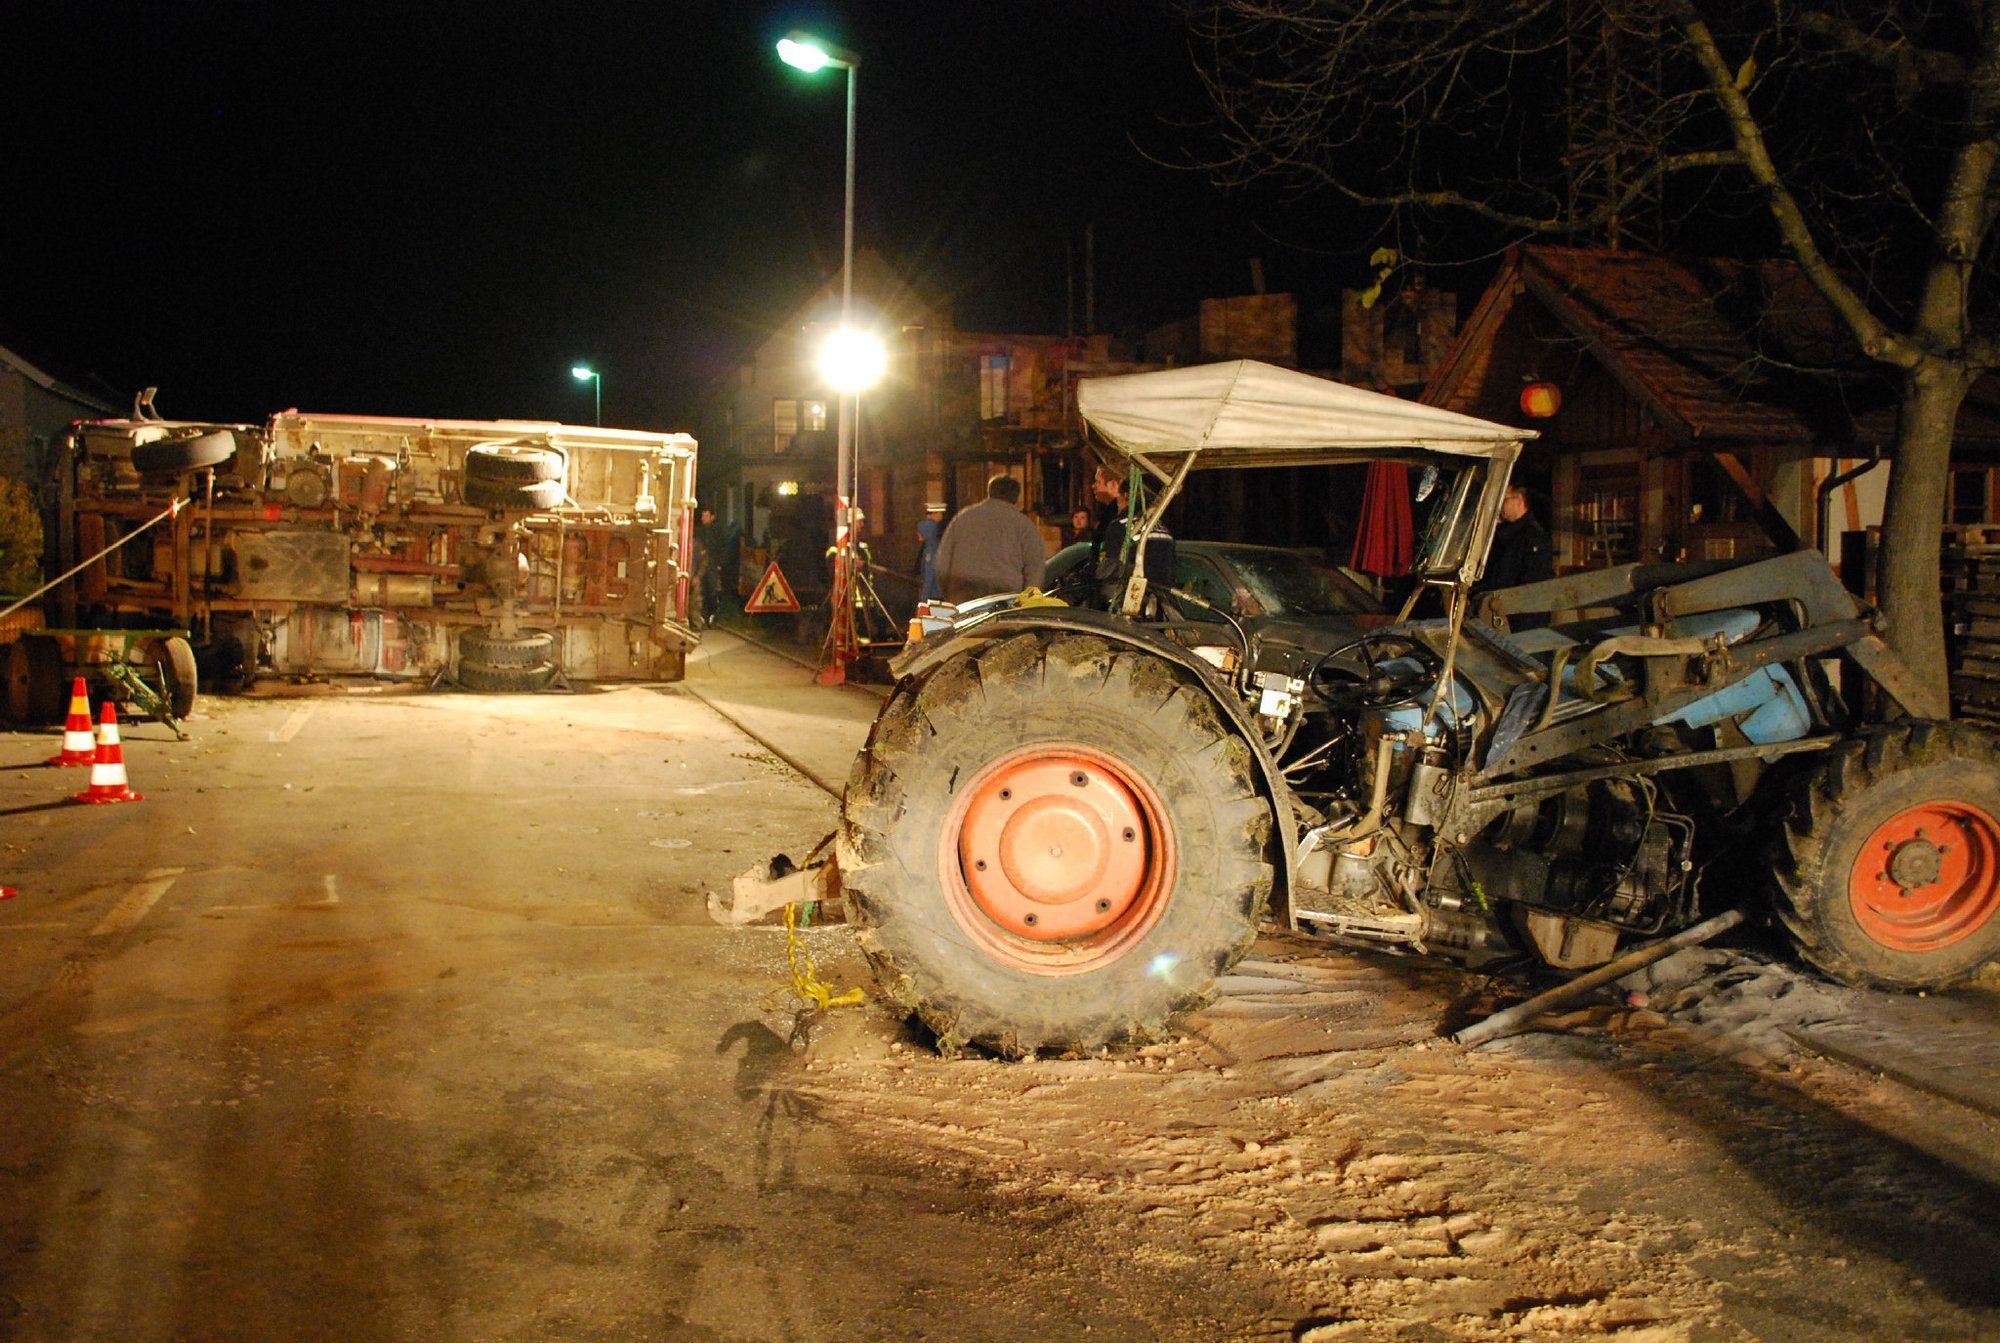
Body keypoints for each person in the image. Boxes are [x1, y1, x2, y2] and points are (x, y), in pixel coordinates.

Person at [935, 474, 1047, 602]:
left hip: (963, 591)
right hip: (1004, 595)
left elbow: (942, 561)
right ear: (1016, 497)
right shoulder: (1024, 525)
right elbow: (1035, 567)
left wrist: (948, 591)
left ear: (989, 492)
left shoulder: (963, 518)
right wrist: (1026, 601)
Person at [1480, 484, 1555, 627]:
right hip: (1498, 612)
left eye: (1504, 500)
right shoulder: (1506, 534)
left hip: (1519, 620)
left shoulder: (1532, 537)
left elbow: (1534, 586)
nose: (1500, 506)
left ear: (1519, 500)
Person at [916, 502, 946, 602]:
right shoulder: (935, 546)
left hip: (933, 595)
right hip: (938, 592)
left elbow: (929, 575)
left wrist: (923, 599)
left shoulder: (930, 550)